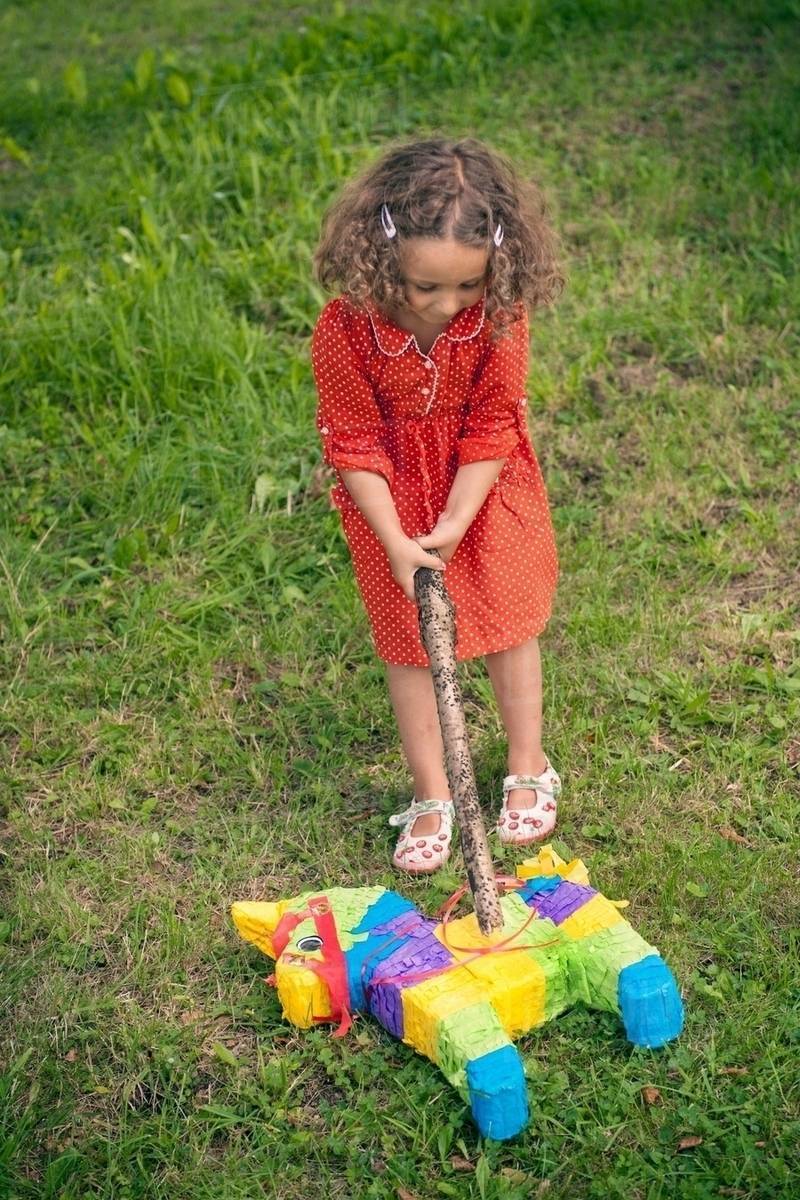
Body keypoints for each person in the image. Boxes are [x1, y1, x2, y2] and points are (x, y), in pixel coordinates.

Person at [310, 136, 564, 875]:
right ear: (382, 255)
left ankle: (528, 763)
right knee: (410, 644)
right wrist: (393, 536)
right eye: (426, 288)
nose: (449, 304)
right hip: (388, 499)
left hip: (485, 487)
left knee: (510, 622)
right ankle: (431, 792)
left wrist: (457, 517)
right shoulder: (344, 327)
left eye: (467, 286)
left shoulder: (500, 317)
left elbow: (494, 419)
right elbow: (351, 438)